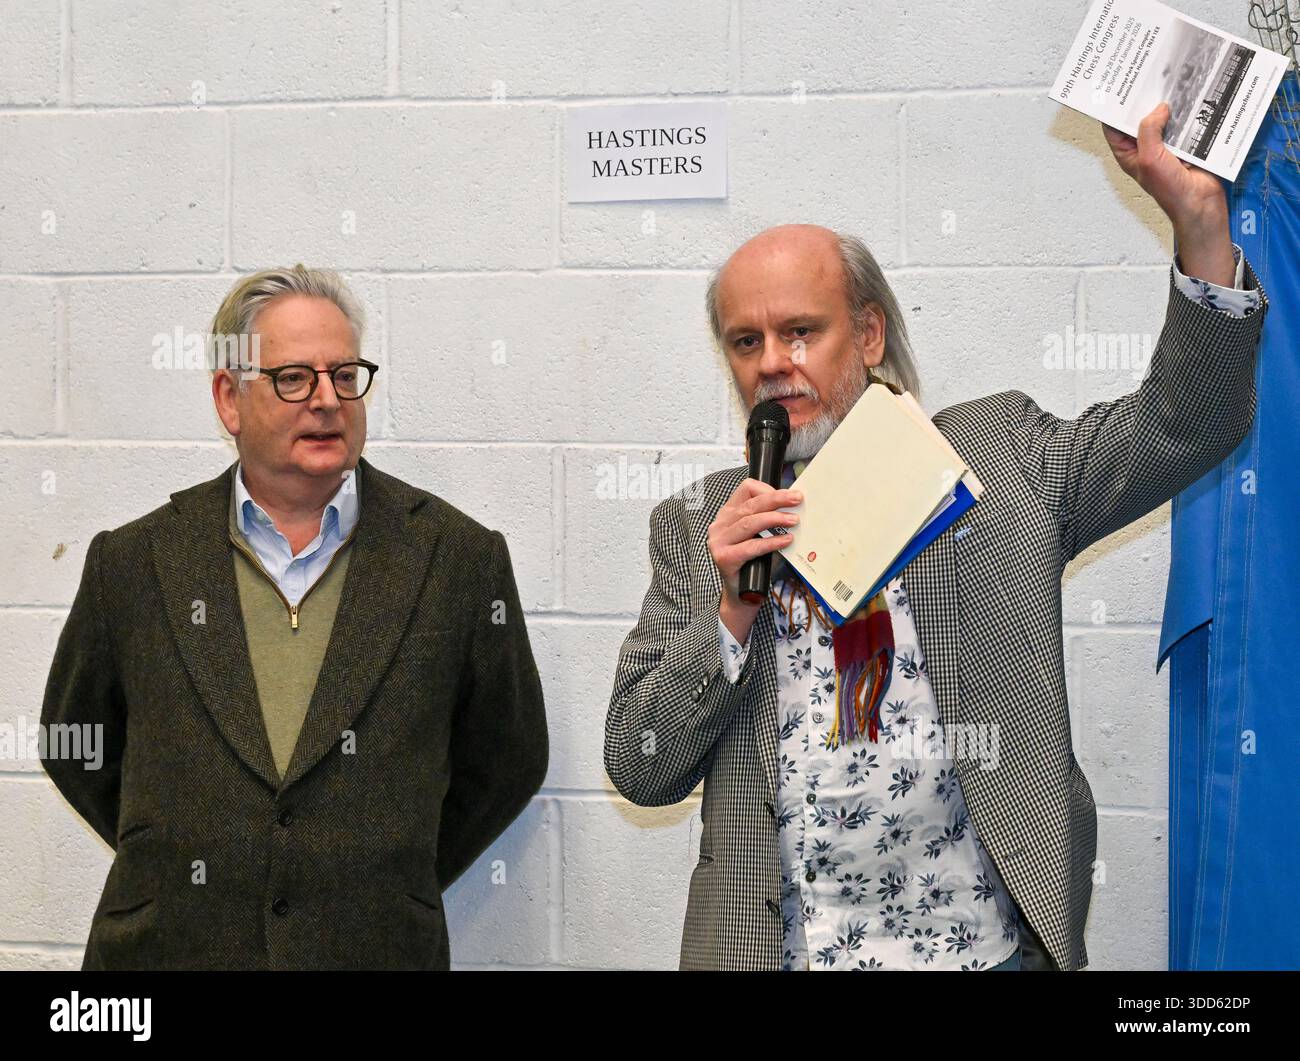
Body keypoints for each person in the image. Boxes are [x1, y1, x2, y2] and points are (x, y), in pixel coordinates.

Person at [604, 104, 1269, 970]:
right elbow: (638, 763)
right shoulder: (701, 525)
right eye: (746, 340)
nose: (773, 361)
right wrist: (729, 613)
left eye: (802, 330)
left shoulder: (995, 459)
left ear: (869, 333)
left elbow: (1190, 423)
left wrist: (1201, 228)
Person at [40, 265, 548, 970]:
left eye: (345, 375)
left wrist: (386, 873)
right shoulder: (132, 562)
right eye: (293, 378)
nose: (327, 400)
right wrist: (173, 854)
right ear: (229, 397)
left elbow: (508, 757)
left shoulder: (458, 559)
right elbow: (75, 742)